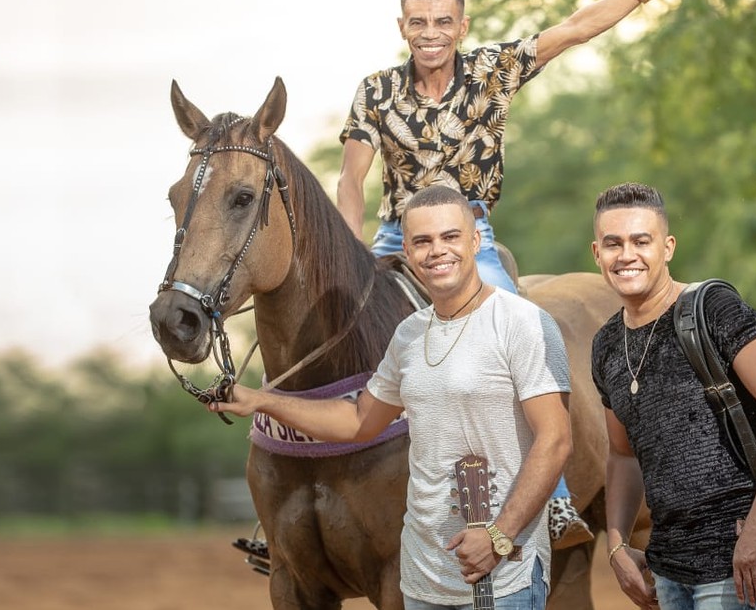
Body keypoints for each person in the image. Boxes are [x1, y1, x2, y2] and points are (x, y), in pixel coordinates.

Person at [336, 0, 701, 542]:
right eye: (418, 22)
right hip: (398, 235)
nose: (430, 34)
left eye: (442, 21)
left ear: (462, 25)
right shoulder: (376, 92)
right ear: (403, 26)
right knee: (334, 327)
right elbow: (351, 181)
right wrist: (348, 258)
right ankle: (296, 505)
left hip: (471, 235)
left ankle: (554, 496)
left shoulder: (493, 70)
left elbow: (576, 28)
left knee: (521, 333)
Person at [210, 186, 573, 609]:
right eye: (423, 241)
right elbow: (360, 420)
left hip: (502, 576)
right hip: (421, 582)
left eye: (450, 237)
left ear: (475, 240)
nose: (437, 251)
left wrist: (499, 535)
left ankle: (563, 506)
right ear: (408, 250)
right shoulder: (408, 335)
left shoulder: (524, 323)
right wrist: (261, 401)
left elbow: (555, 440)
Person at [588, 182, 756, 610]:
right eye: (613, 244)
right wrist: (616, 545)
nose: (627, 255)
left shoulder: (713, 309)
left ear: (667, 247)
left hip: (737, 563)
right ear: (596, 254)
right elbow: (623, 455)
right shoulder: (606, 346)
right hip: (667, 569)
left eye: (641, 241)